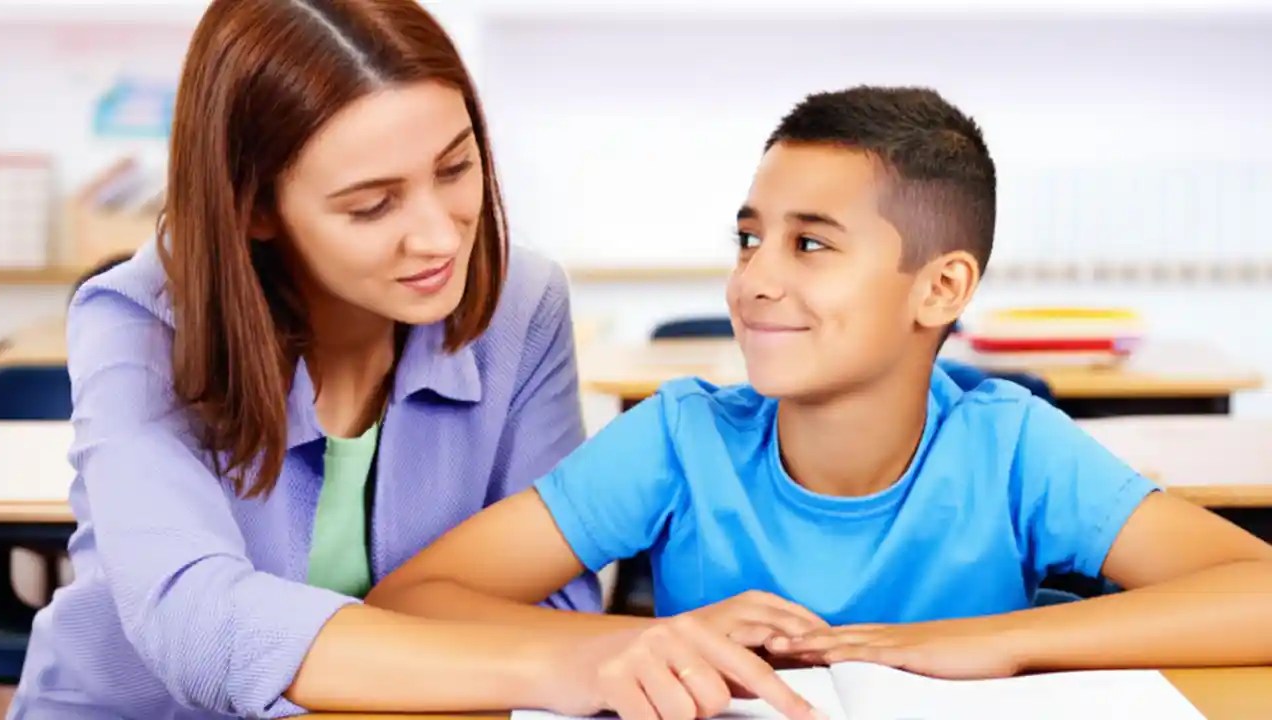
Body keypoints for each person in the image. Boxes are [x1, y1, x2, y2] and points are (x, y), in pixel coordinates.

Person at [10, 2, 817, 718]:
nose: (439, 237)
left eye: (456, 168)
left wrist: (589, 654)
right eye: (372, 205)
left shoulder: (521, 303)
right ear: (253, 208)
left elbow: (553, 588)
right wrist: (569, 661)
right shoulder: (139, 318)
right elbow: (196, 620)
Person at [368, 86, 1272, 716]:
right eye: (749, 237)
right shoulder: (678, 440)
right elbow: (413, 600)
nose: (752, 279)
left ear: (941, 288)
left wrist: (1004, 641)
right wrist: (641, 642)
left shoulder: (1014, 447)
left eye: (810, 246)